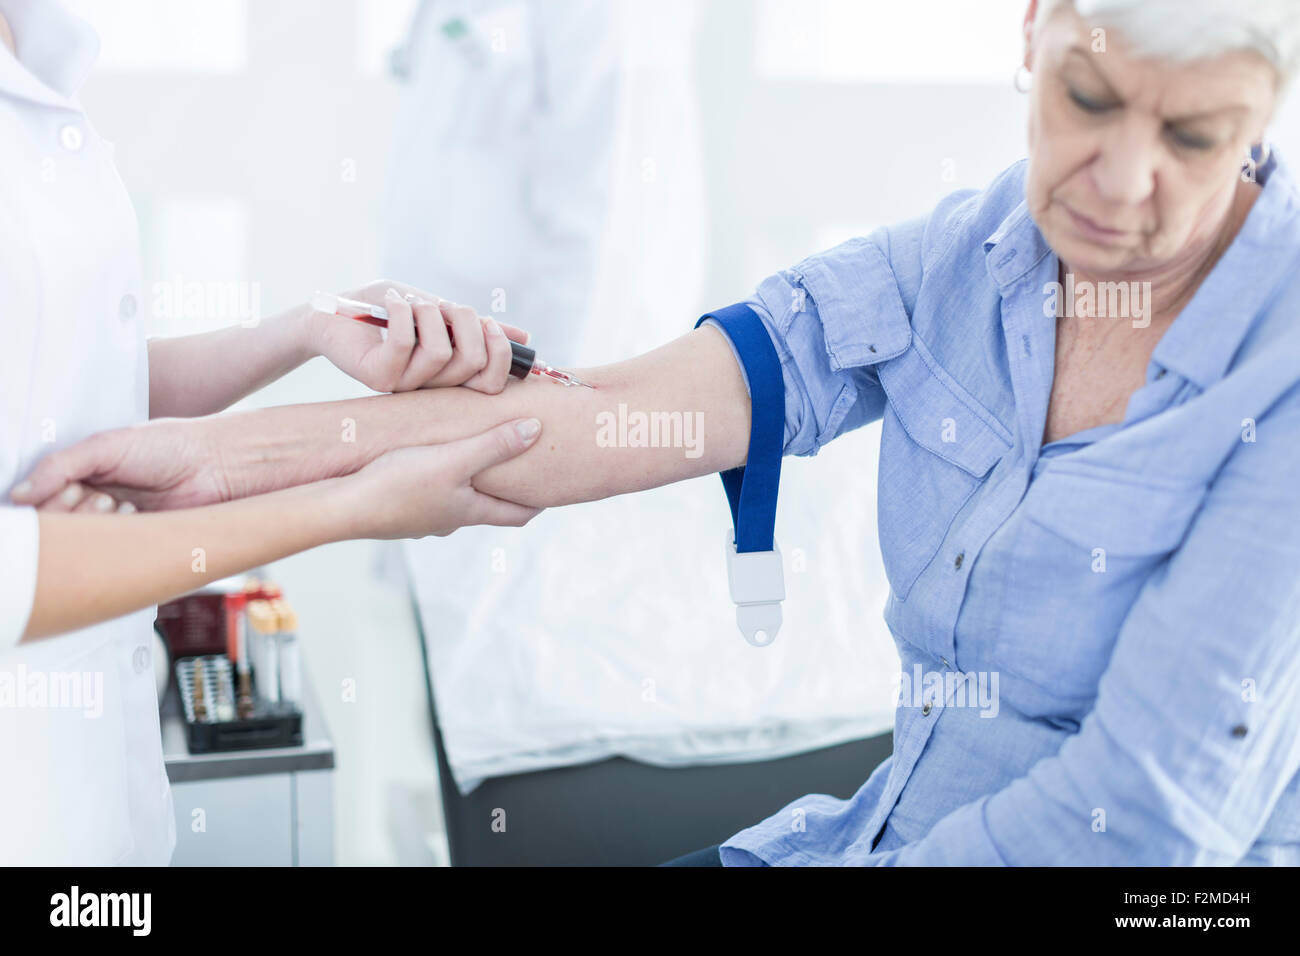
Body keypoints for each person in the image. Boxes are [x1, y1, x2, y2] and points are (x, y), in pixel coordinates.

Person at [22, 0, 1300, 865]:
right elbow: (601, 416)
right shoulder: (962, 263)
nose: (1123, 182)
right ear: (1031, 32)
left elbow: (1138, 823)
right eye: (1087, 99)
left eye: (1194, 137)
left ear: (1266, 115)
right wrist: (211, 455)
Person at [0, 0, 543, 865]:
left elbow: (76, 367)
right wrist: (349, 502)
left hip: (104, 792)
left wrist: (310, 327)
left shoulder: (38, 49)